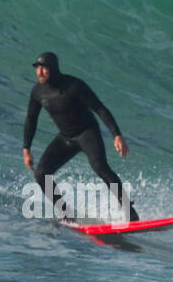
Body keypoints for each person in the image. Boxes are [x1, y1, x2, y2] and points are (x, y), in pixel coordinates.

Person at [22, 51, 138, 222]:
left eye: (44, 68)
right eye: (37, 68)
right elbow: (31, 119)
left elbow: (99, 108)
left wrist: (117, 135)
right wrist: (26, 148)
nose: (39, 72)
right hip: (66, 138)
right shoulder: (37, 92)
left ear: (53, 69)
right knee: (41, 174)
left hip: (87, 133)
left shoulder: (74, 86)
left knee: (100, 167)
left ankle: (130, 212)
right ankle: (66, 215)